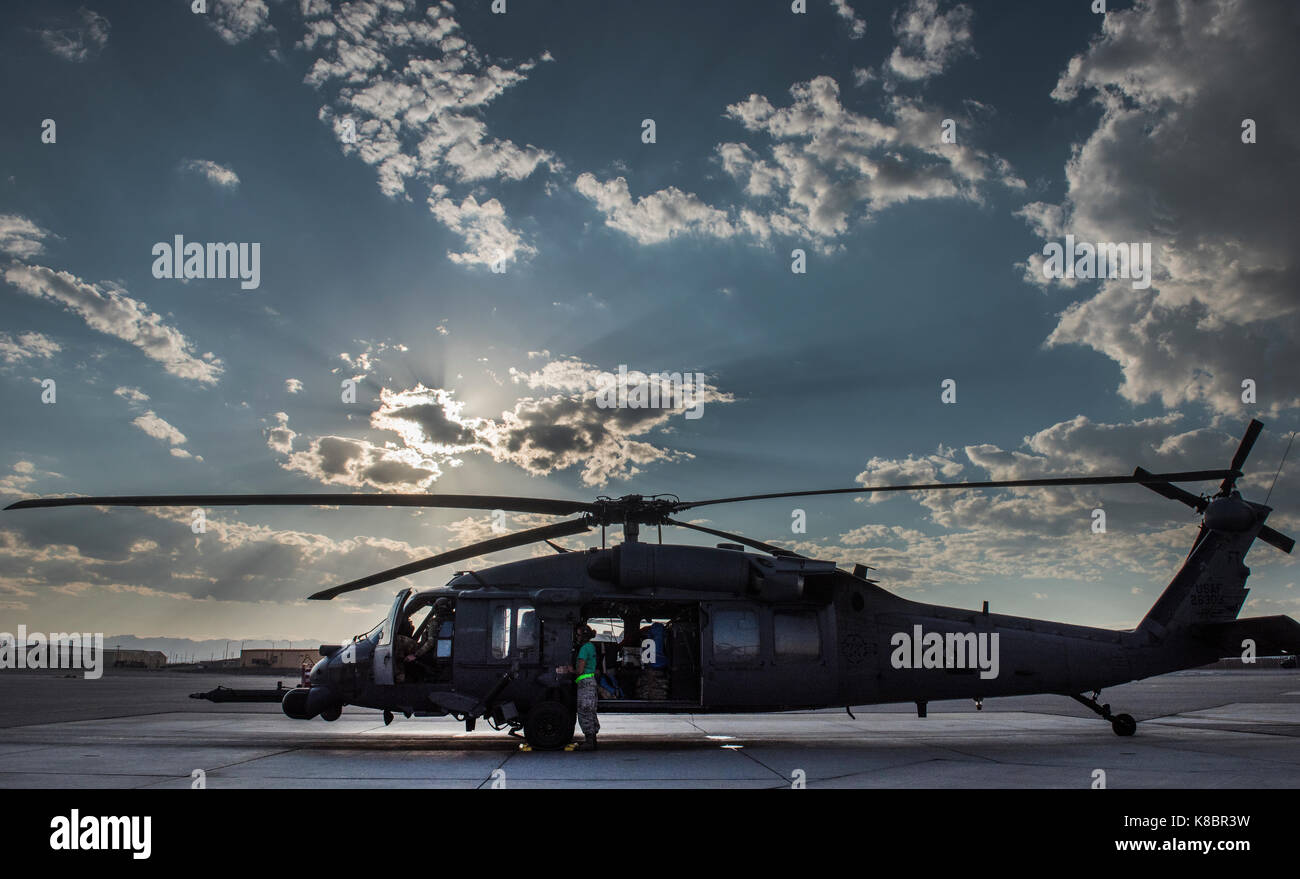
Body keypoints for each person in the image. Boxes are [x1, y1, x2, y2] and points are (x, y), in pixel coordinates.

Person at [573, 625, 600, 751]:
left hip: (584, 683)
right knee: (590, 710)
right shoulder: (591, 647)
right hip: (591, 681)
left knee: (584, 711)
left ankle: (589, 741)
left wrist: (568, 670)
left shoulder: (584, 649)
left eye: (578, 635)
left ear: (583, 636)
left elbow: (579, 670)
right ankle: (592, 740)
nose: (576, 637)